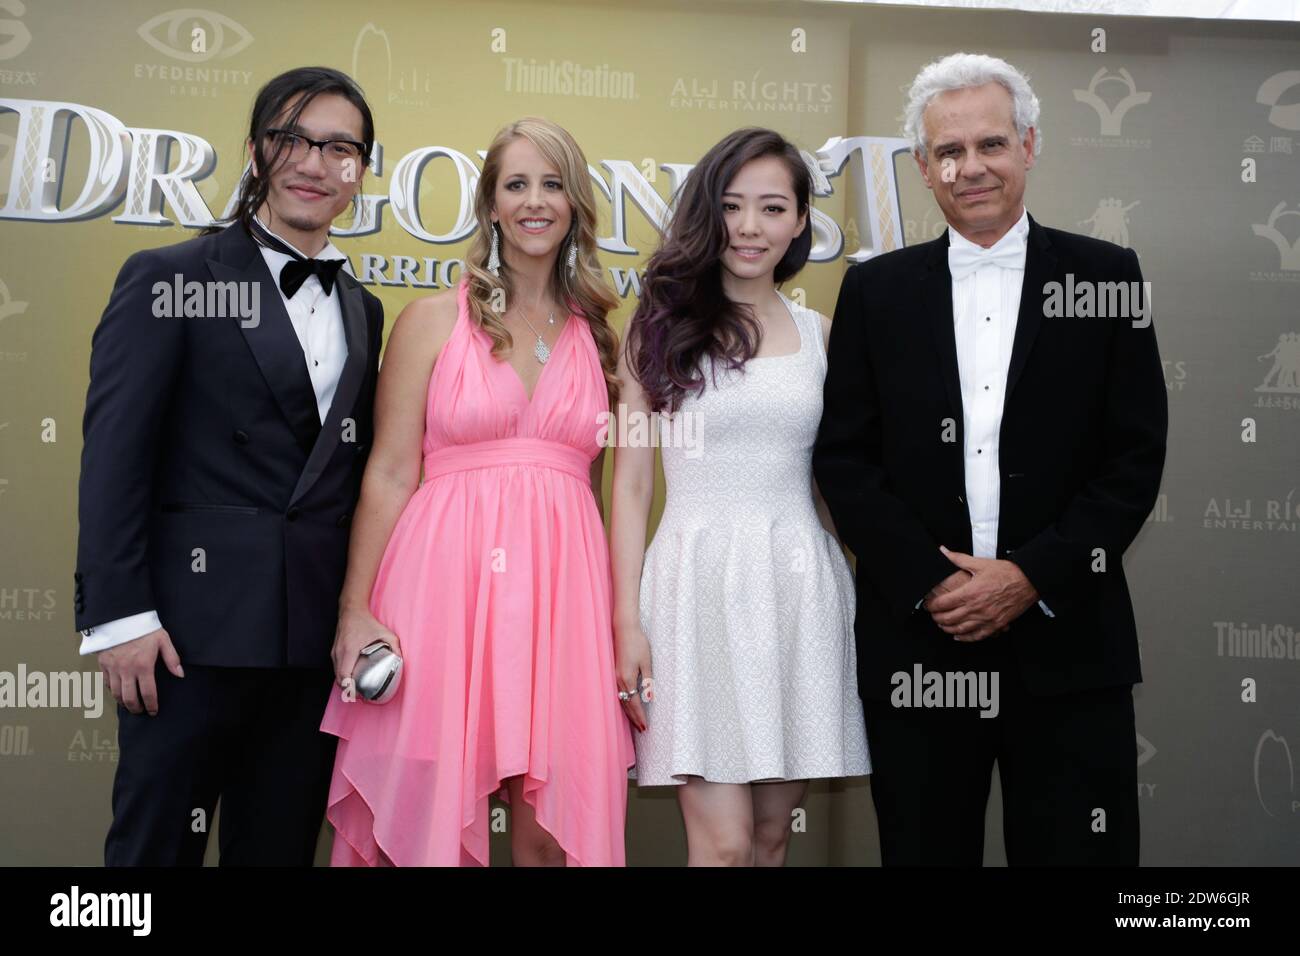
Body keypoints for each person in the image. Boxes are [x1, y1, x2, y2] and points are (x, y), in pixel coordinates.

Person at [813, 52, 1167, 866]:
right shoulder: (875, 292)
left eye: (991, 144)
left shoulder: (1107, 276)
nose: (970, 167)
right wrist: (932, 581)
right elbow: (846, 461)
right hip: (920, 649)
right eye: (949, 151)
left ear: (1029, 146)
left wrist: (1030, 575)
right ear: (923, 167)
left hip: (1070, 647)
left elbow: (1134, 459)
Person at [74, 66, 384, 865]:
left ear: (361, 170)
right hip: (182, 643)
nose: (314, 163)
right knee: (150, 858)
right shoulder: (173, 277)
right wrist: (120, 619)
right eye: (292, 139)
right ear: (254, 151)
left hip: (307, 651)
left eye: (340, 148)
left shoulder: (365, 309)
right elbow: (115, 458)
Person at [320, 117, 635, 867]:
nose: (535, 201)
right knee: (426, 814)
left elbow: (589, 491)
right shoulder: (431, 320)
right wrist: (355, 609)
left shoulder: (601, 338)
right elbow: (390, 472)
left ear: (575, 204)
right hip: (442, 590)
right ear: (491, 204)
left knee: (549, 831)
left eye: (553, 184)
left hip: (562, 596)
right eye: (516, 184)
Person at [612, 128, 870, 867]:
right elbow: (630, 483)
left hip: (798, 595)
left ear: (801, 221)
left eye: (772, 207)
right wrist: (625, 620)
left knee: (767, 839)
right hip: (692, 596)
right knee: (722, 846)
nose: (750, 226)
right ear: (706, 212)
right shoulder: (654, 332)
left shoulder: (823, 336)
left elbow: (834, 482)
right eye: (731, 206)